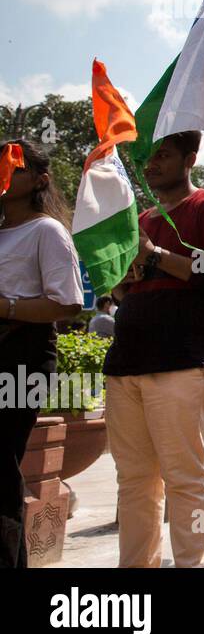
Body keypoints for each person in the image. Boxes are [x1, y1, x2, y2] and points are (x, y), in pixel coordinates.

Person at [104, 129, 204, 568]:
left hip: (185, 360)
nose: (152, 164)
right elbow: (123, 290)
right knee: (134, 481)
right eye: (148, 158)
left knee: (184, 479)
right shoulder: (139, 220)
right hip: (127, 361)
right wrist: (126, 275)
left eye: (163, 155)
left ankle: (192, 564)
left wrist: (156, 254)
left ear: (189, 159)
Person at [0, 140, 83, 568]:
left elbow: (68, 304)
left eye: (15, 166)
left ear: (39, 179)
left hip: (22, 357)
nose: (4, 172)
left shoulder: (46, 231)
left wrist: (8, 307)